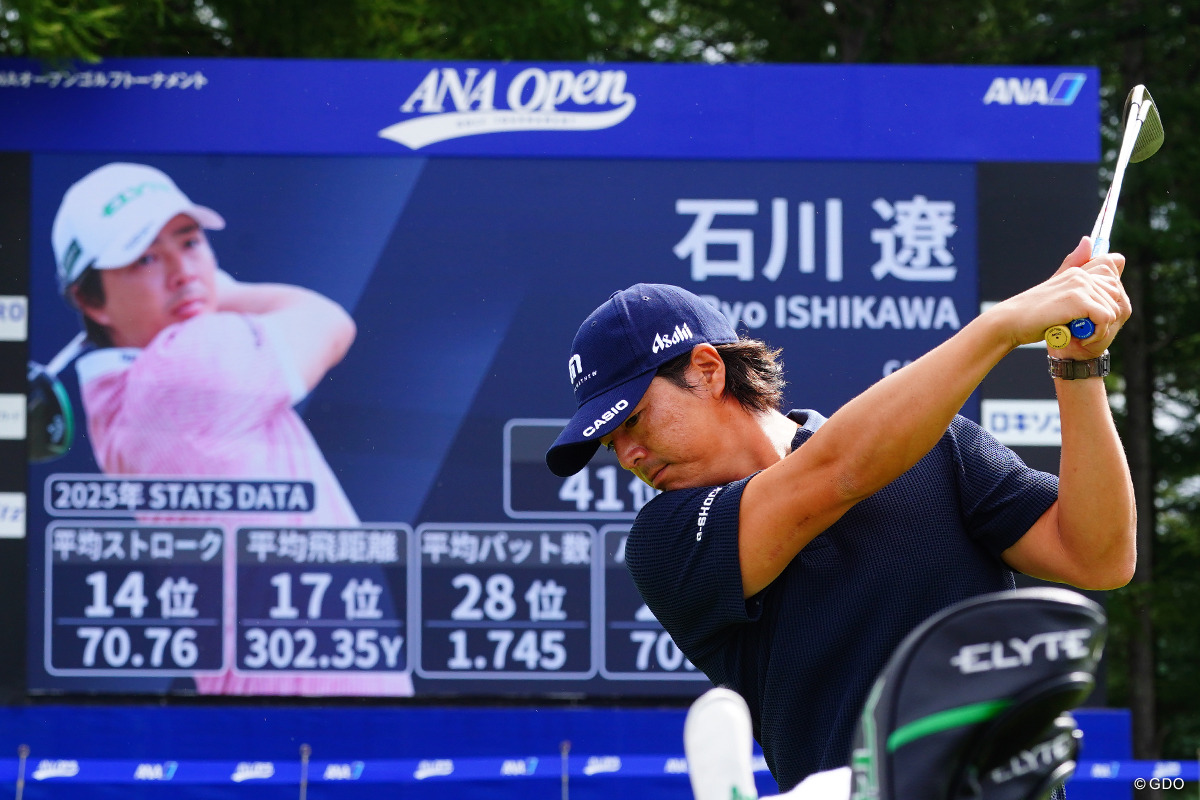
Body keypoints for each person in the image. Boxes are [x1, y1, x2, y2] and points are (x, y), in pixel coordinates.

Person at [545, 239, 1135, 793]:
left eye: (633, 420)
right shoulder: (665, 542)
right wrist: (1003, 324)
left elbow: (1098, 555)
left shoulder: (940, 446)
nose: (627, 455)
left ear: (707, 369)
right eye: (609, 443)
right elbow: (839, 472)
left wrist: (1077, 367)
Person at [51, 161, 413, 697]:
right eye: (145, 257)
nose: (182, 273)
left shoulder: (116, 393)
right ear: (90, 301)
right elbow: (329, 321)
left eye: (190, 243)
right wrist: (224, 288)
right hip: (319, 727)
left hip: (291, 713)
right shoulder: (182, 367)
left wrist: (196, 292)